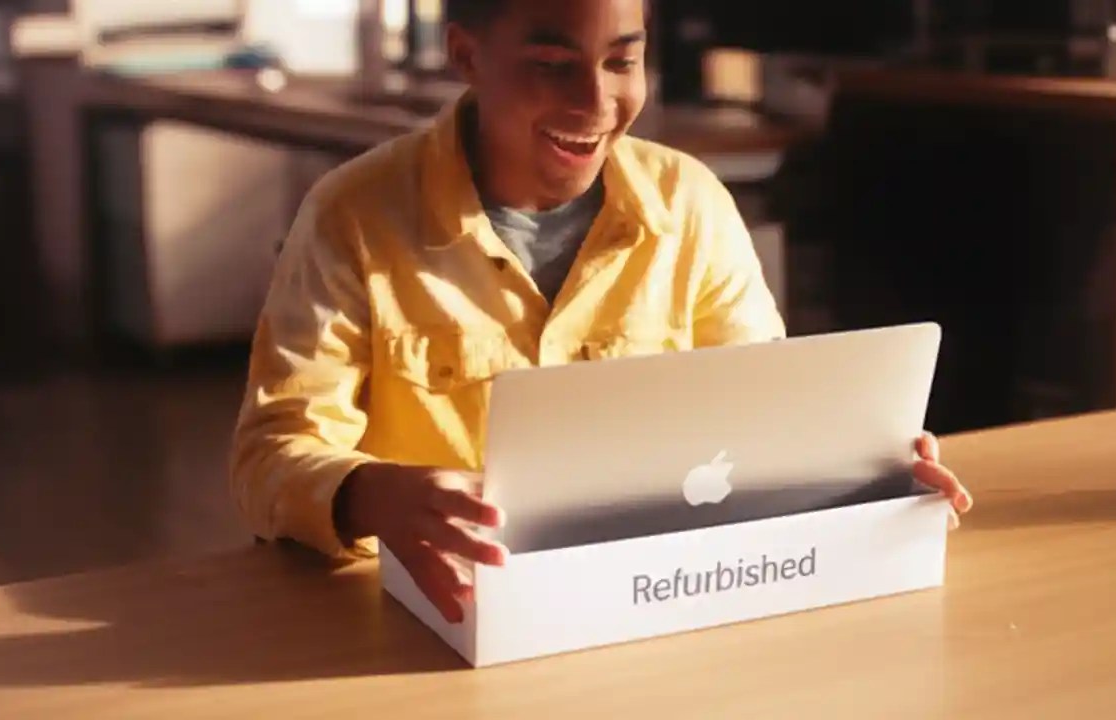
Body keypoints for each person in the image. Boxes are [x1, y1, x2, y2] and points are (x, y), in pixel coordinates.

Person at [229, 0, 973, 622]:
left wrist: (863, 470)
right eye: (552, 65)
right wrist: (367, 495)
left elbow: (767, 419)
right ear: (466, 56)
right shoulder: (352, 217)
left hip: (656, 604)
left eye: (621, 62)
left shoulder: (690, 206)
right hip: (437, 624)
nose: (595, 103)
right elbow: (269, 457)